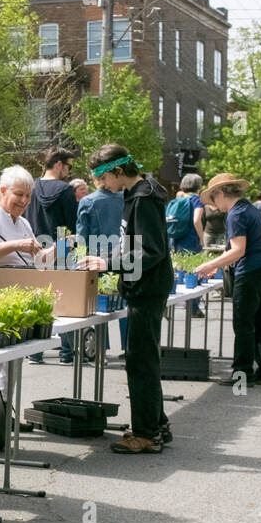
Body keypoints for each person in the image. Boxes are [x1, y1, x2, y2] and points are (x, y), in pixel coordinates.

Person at [89, 144, 173, 453]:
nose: (102, 186)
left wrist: (108, 264)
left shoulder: (145, 197)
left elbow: (150, 251)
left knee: (140, 363)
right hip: (145, 287)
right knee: (144, 360)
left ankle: (147, 434)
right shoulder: (139, 193)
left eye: (103, 179)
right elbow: (131, 245)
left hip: (147, 289)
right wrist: (105, 259)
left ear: (118, 171)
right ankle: (157, 424)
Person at [195, 174, 261, 388]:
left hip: (253, 270)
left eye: (214, 200)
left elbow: (238, 250)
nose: (214, 206)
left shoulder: (236, 214)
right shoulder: (249, 209)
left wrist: (211, 264)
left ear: (221, 194)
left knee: (244, 323)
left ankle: (242, 374)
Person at [23, 147, 78, 363]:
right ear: (58, 164)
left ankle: (35, 352)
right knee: (64, 301)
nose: (69, 171)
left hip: (35, 249)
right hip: (60, 250)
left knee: (37, 301)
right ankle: (66, 353)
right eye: (69, 166)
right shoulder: (65, 191)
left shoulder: (31, 188)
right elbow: (71, 226)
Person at [77, 172, 128, 357]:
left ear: (94, 178)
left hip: (97, 259)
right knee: (123, 303)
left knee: (100, 306)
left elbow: (82, 236)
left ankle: (101, 350)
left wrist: (79, 262)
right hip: (122, 258)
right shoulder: (126, 199)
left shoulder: (88, 201)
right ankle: (128, 348)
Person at [167, 174, 206, 318]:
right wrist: (202, 239)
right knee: (194, 272)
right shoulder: (196, 200)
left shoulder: (179, 199)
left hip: (177, 238)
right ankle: (193, 307)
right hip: (191, 239)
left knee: (180, 272)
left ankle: (170, 301)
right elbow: (197, 220)